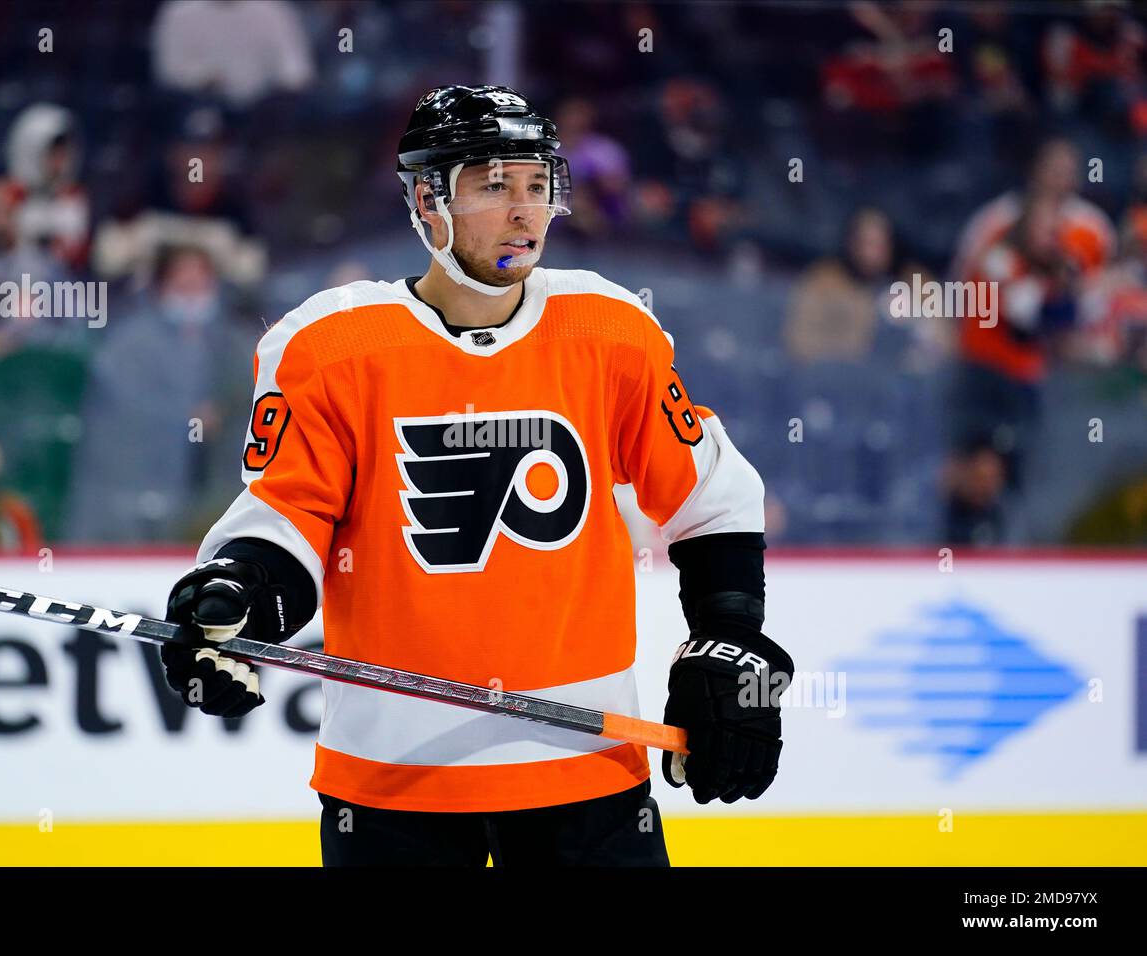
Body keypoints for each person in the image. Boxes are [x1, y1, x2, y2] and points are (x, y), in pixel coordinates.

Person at [159, 86, 794, 866]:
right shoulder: (330, 348)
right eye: (494, 185)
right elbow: (285, 526)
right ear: (428, 202)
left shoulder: (609, 331)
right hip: (392, 791)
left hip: (589, 780)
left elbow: (713, 500)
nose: (525, 211)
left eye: (536, 185)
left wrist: (729, 638)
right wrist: (239, 604)